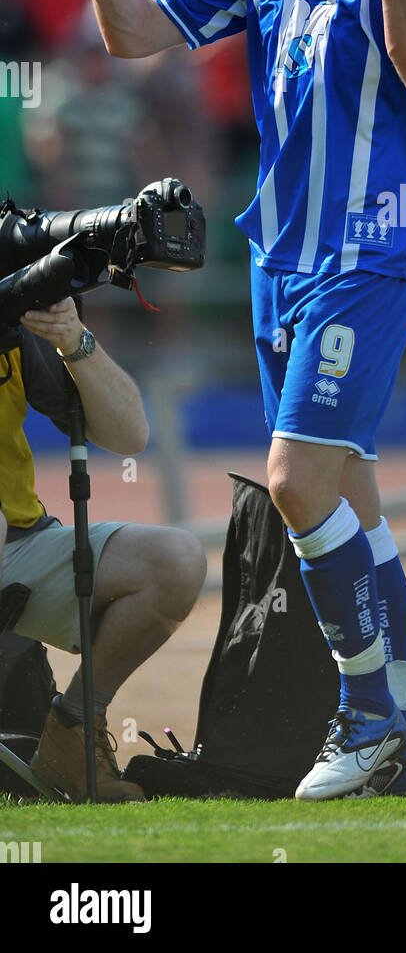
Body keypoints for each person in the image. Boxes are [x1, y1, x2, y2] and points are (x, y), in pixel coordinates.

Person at [80, 0, 406, 800]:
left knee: (294, 483)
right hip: (279, 257)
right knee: (353, 496)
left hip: (370, 252)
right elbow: (131, 32)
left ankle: (370, 714)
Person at [0, 298, 206, 802]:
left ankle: (73, 730)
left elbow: (129, 435)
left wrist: (73, 338)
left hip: (17, 542)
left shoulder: (10, 322)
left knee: (176, 560)